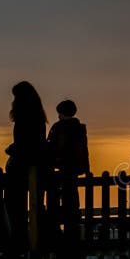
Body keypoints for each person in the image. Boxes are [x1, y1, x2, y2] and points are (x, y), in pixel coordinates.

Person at [5, 81, 48, 252]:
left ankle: (21, 243)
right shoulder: (38, 117)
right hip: (37, 166)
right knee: (35, 207)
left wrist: (12, 150)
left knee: (16, 206)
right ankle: (35, 243)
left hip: (24, 167)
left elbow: (25, 144)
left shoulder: (24, 118)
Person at [46, 99, 90, 238]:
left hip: (61, 166)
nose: (58, 116)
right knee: (72, 195)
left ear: (62, 113)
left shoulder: (58, 127)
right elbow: (84, 149)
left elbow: (51, 146)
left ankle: (56, 227)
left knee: (55, 195)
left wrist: (51, 162)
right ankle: (72, 226)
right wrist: (86, 167)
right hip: (75, 167)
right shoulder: (80, 128)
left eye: (59, 113)